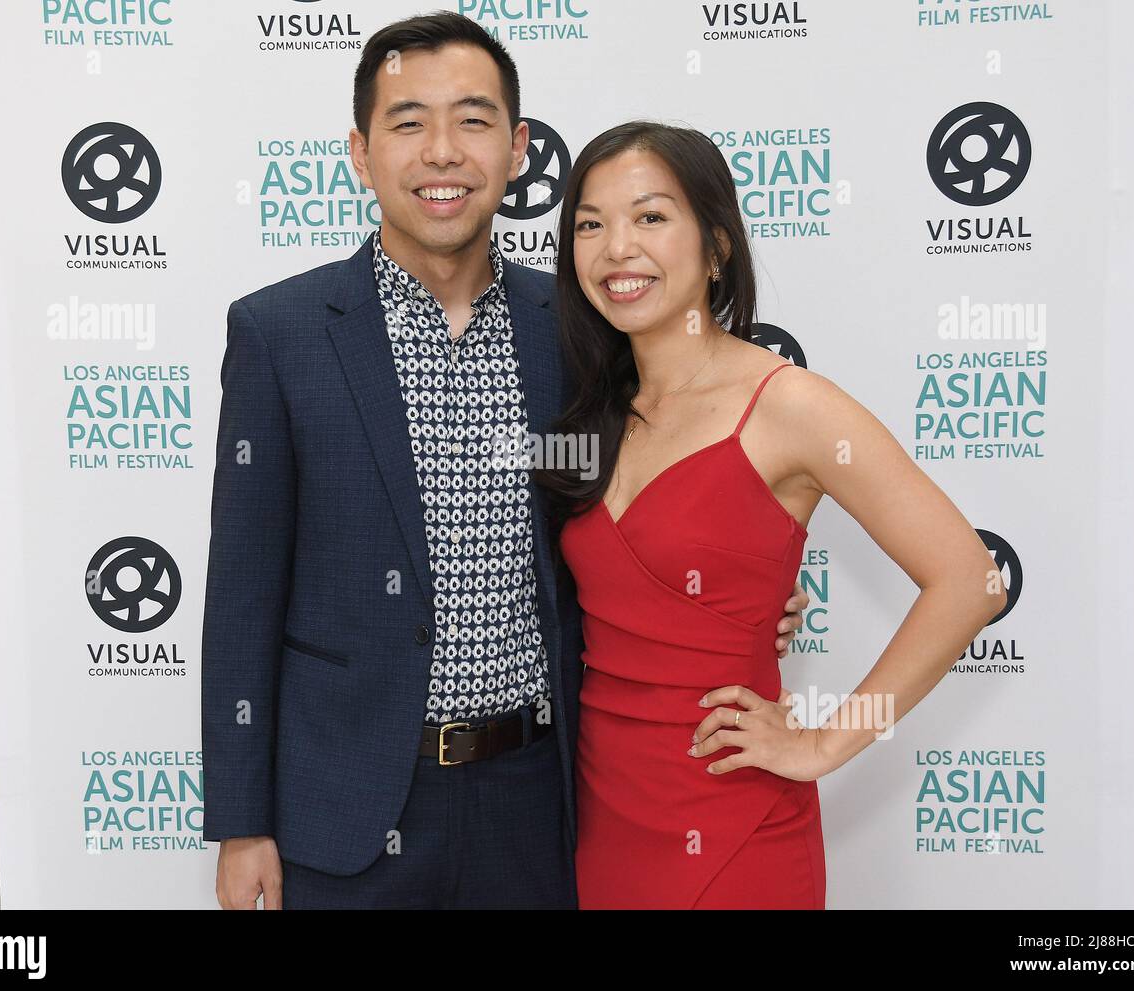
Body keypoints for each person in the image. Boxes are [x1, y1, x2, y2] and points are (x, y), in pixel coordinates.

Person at [200, 12, 809, 909]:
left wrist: (739, 596)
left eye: (474, 120)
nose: (442, 151)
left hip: (539, 800)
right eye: (408, 122)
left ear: (518, 149)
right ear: (362, 155)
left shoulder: (579, 330)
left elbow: (636, 506)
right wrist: (242, 821)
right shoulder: (281, 335)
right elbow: (243, 594)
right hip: (346, 813)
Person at [539, 121, 1008, 908]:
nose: (617, 246)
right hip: (600, 817)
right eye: (591, 223)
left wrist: (824, 741)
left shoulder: (791, 405)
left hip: (732, 820)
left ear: (717, 244)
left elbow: (970, 579)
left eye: (650, 216)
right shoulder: (592, 408)